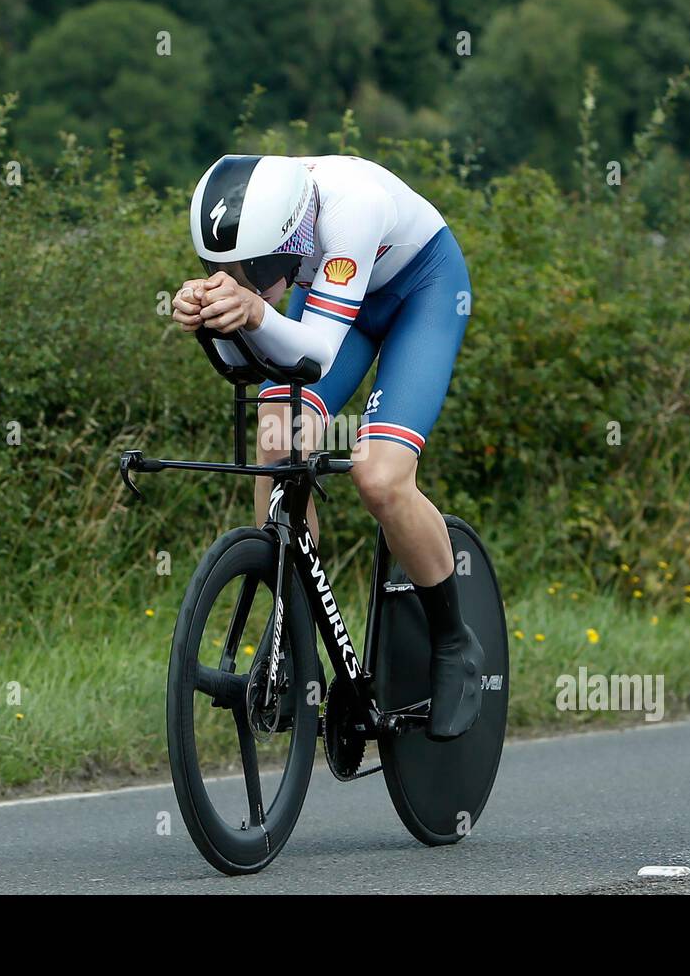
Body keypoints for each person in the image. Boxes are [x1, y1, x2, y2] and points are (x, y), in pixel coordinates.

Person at [172, 153, 482, 740]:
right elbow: (254, 364)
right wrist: (213, 320)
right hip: (336, 306)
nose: (239, 281)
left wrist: (256, 312)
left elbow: (317, 354)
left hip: (420, 293)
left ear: (287, 247)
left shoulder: (351, 210)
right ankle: (291, 625)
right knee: (275, 436)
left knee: (379, 478)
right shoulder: (265, 217)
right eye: (223, 270)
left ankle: (453, 642)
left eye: (250, 271)